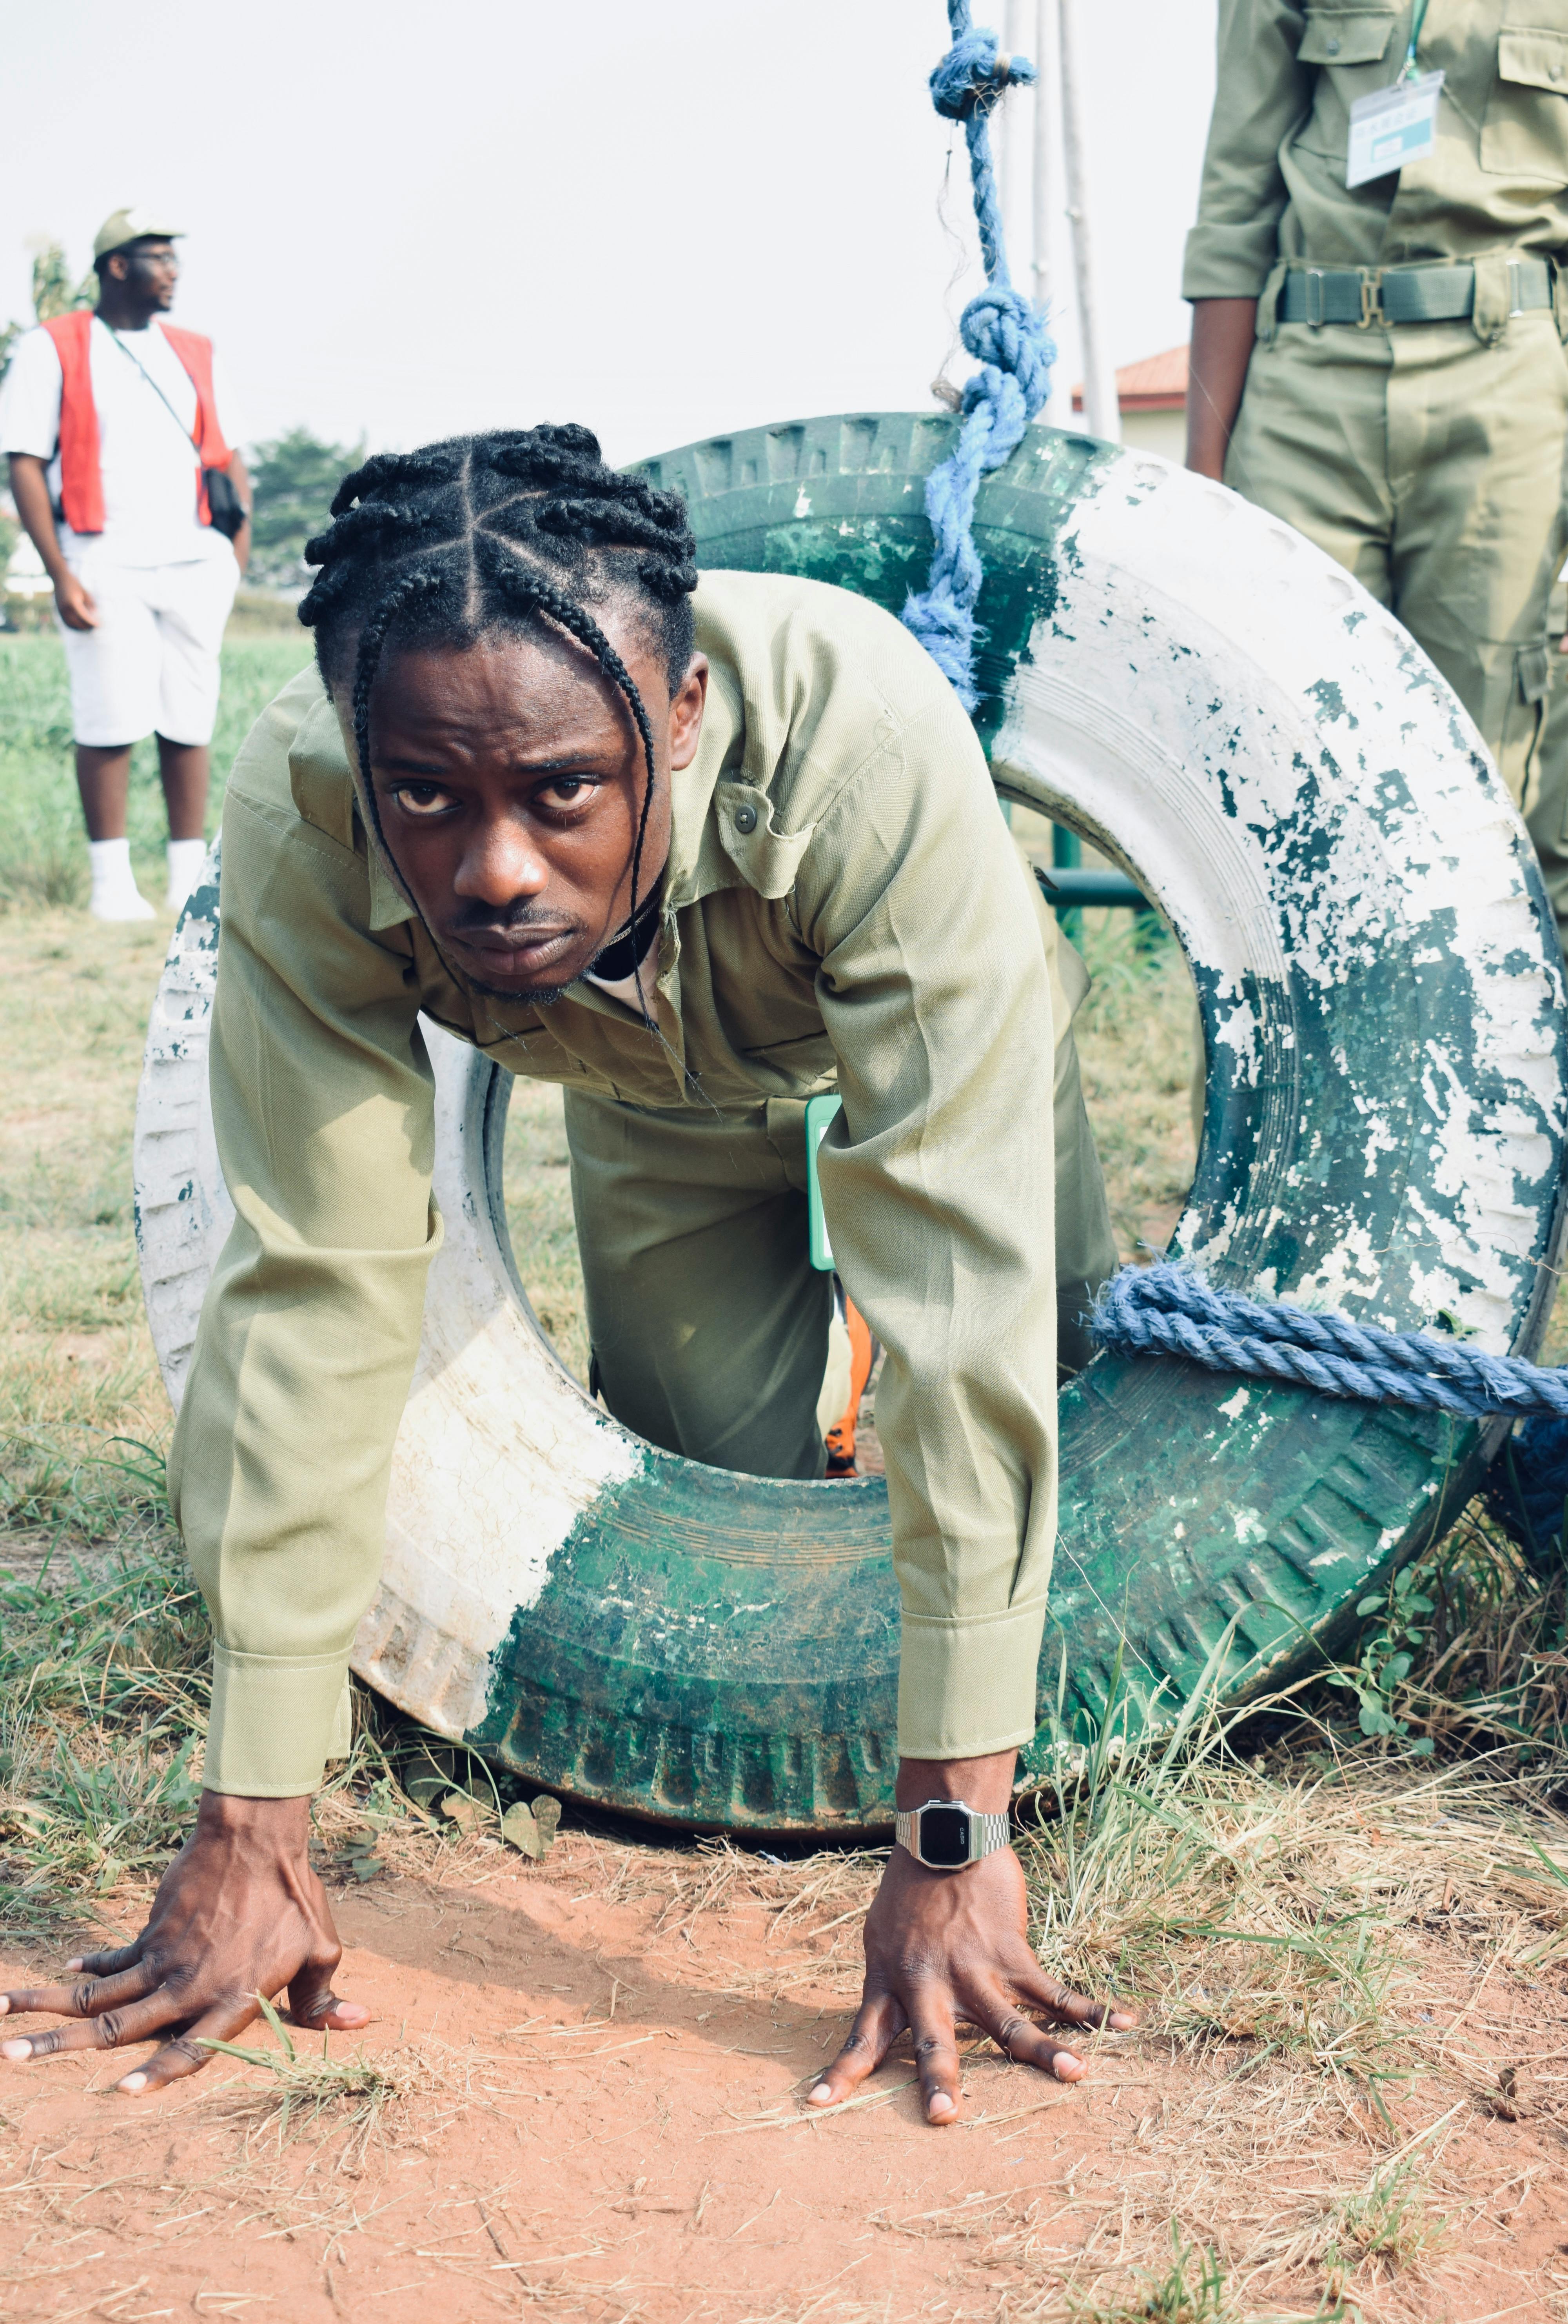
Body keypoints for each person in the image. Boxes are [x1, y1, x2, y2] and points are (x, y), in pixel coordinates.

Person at [0, 426, 1133, 2121]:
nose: (493, 869)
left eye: (560, 792)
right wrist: (254, 1818)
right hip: (648, 1098)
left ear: (673, 724)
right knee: (735, 1526)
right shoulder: (309, 806)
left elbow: (959, 1303)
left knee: (1036, 1400)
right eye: (430, 799)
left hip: (915, 1055)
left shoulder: (857, 736)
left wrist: (951, 1834)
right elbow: (318, 1284)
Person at [1184, 0, 1568, 952]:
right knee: (1278, 757)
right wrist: (1198, 487)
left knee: (1483, 782)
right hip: (1307, 379)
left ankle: (1490, 1090)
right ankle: (1278, 1091)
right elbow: (1234, 203)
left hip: (1507, 378)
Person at [0, 207, 250, 922]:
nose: (174, 270)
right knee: (108, 718)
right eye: (159, 257)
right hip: (101, 554)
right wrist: (59, 572)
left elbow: (230, 456)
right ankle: (112, 887)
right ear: (117, 266)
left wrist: (232, 559)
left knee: (189, 718)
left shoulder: (194, 350)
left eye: (174, 257)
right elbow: (24, 462)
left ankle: (183, 879)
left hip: (194, 560)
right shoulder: (52, 347)